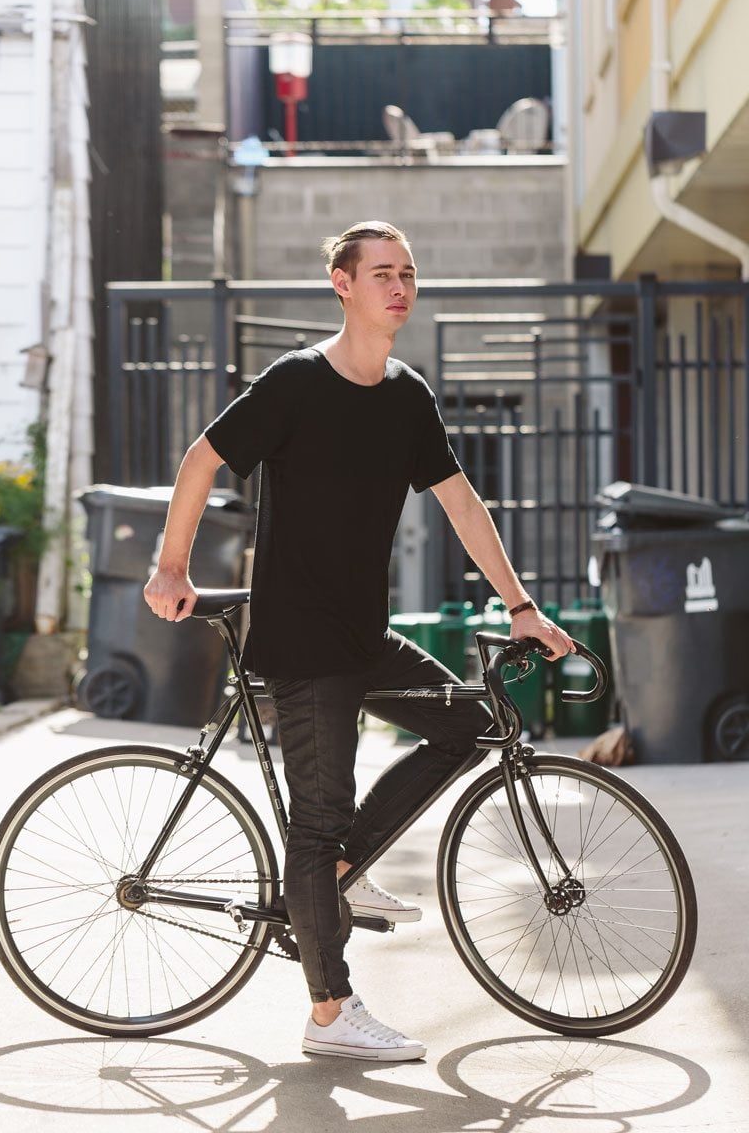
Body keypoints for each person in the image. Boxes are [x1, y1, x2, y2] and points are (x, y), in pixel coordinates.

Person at [144, 220, 574, 1062]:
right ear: (343, 285)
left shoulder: (408, 393)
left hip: (364, 635)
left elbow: (460, 503)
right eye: (382, 273)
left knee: (470, 725)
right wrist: (170, 567)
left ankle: (340, 877)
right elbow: (202, 458)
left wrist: (522, 605)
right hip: (302, 641)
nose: (399, 287)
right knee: (317, 820)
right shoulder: (297, 383)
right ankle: (329, 1014)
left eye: (408, 273)